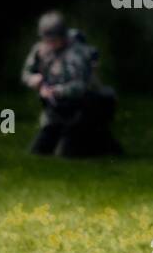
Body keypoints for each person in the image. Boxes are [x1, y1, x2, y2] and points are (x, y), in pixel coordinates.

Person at [20, 11, 121, 158]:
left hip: (84, 108)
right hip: (57, 110)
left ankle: (101, 142)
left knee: (67, 152)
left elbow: (81, 86)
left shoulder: (78, 53)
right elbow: (27, 73)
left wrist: (56, 91)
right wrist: (34, 81)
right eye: (46, 39)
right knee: (38, 151)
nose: (49, 44)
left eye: (53, 39)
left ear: (63, 36)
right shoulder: (40, 50)